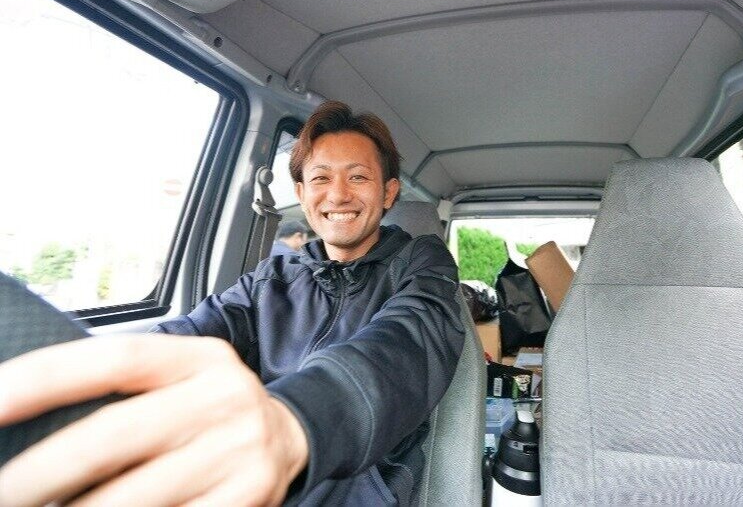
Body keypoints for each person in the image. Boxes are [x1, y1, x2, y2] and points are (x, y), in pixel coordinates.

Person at [0, 101, 464, 506]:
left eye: (358, 177)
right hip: (244, 457)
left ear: (388, 192)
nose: (338, 194)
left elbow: (409, 340)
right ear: (301, 194)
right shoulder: (274, 277)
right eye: (320, 178)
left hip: (358, 477)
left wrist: (294, 422)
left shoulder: (420, 261)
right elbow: (195, 332)